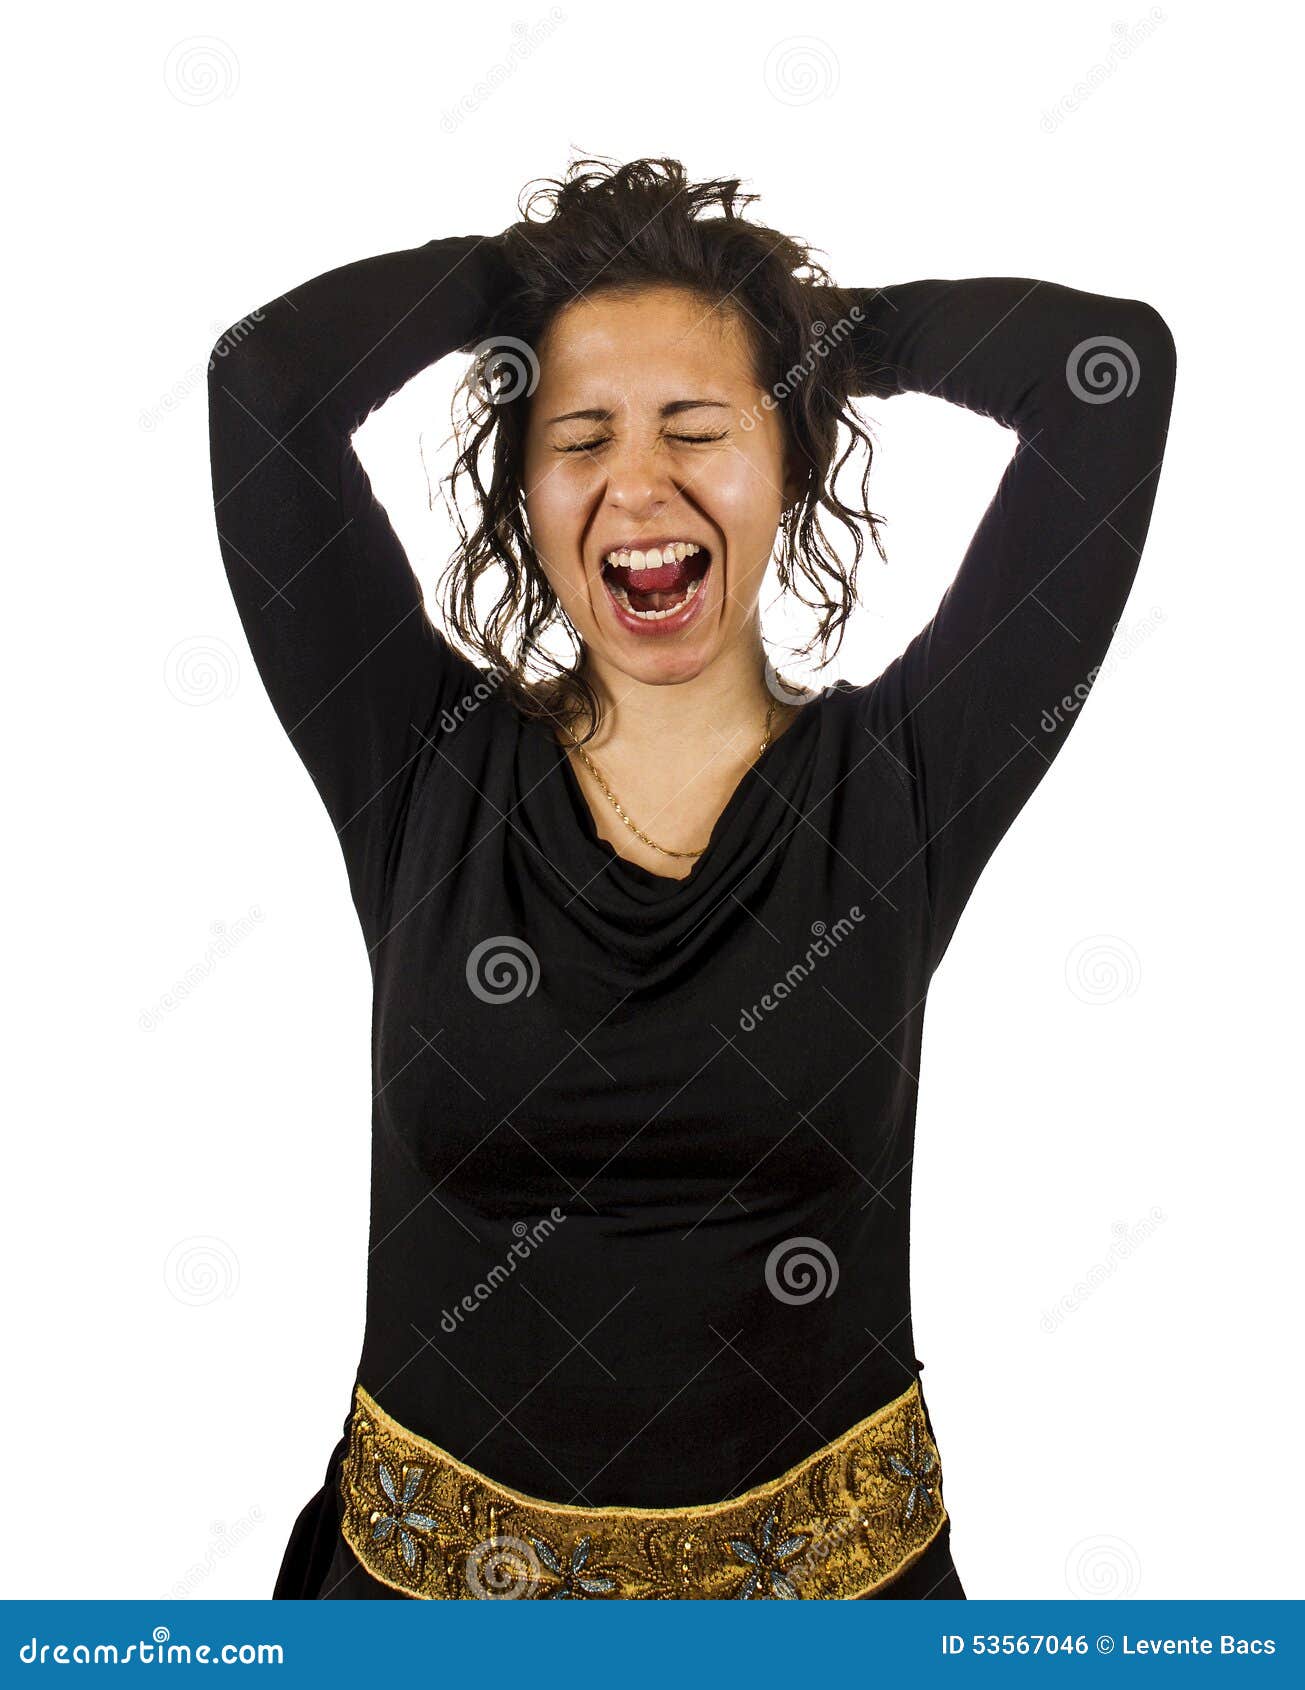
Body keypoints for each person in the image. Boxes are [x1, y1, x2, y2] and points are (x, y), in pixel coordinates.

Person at [205, 156, 1176, 1600]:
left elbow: (1108, 374)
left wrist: (806, 329)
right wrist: (522, 284)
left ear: (786, 460)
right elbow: (263, 382)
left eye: (698, 427)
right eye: (579, 435)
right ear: (524, 490)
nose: (636, 484)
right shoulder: (412, 763)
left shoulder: (906, 782)